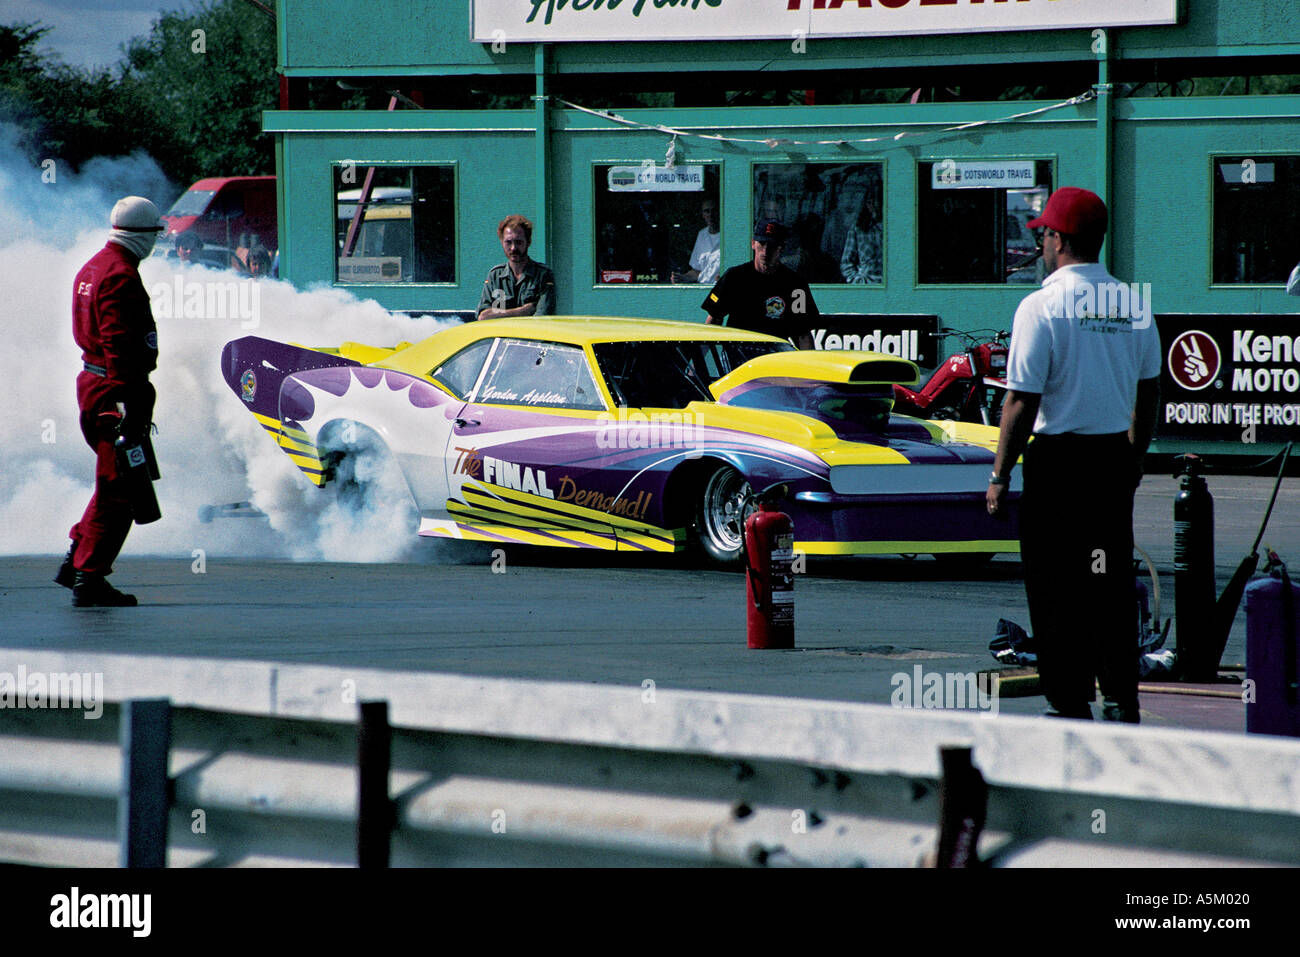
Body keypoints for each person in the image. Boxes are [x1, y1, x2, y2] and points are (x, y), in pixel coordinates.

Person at [985, 187, 1161, 723]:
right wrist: (1133, 456)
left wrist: (999, 474)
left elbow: (1020, 400)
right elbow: (1149, 390)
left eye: (1043, 234)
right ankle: (1122, 696)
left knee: (1055, 584)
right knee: (1107, 582)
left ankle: (1068, 700)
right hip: (1110, 461)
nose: (1040, 243)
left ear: (1059, 240)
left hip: (1058, 464)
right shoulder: (1132, 304)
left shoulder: (1040, 305)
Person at [56, 196, 164, 607]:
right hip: (115, 390)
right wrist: (128, 402)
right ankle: (90, 576)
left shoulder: (93, 267)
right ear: (143, 234)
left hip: (95, 384)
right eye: (154, 234)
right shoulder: (120, 274)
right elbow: (119, 343)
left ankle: (76, 558)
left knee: (111, 480)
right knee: (121, 487)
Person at [702, 219, 818, 347]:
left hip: (773, 357)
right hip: (738, 353)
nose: (765, 250)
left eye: (772, 245)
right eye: (761, 243)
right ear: (753, 244)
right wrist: (694, 365)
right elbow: (714, 320)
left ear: (781, 248)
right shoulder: (734, 277)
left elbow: (802, 334)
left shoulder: (795, 285)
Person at [476, 214, 556, 319]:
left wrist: (500, 314)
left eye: (519, 242)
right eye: (508, 242)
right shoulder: (495, 276)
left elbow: (541, 318)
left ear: (528, 242)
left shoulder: (543, 275)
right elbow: (483, 316)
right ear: (502, 243)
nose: (513, 248)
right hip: (501, 335)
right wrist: (523, 311)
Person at [671, 198, 720, 285]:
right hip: (702, 289)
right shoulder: (702, 235)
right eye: (707, 211)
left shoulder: (728, 235)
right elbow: (697, 271)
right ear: (703, 215)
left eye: (714, 210)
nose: (711, 215)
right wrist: (682, 277)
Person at [840, 197, 883, 284]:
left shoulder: (893, 228)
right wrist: (857, 282)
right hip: (866, 284)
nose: (874, 206)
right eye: (869, 203)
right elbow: (846, 262)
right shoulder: (858, 228)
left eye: (877, 202)